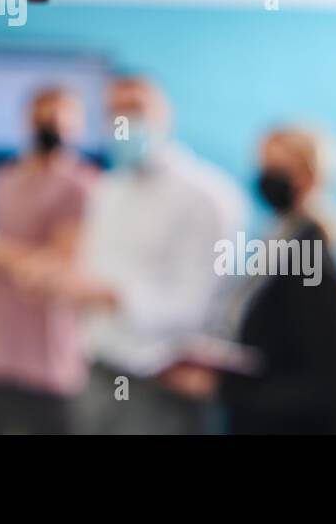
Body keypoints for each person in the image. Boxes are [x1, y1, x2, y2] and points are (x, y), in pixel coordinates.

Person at [17, 76, 247, 434]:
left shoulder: (207, 197)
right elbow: (91, 266)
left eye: (136, 109)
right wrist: (57, 279)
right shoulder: (108, 190)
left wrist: (110, 294)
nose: (124, 121)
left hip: (163, 382)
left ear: (164, 115)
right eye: (114, 111)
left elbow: (204, 302)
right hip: (97, 372)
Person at [162, 125, 336, 434]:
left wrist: (223, 389)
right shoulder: (277, 240)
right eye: (264, 165)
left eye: (280, 168)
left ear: (310, 177)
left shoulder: (310, 256)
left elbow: (324, 384)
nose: (267, 177)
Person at [0, 87, 97, 434]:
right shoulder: (2, 181)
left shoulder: (84, 186)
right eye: (44, 116)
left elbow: (56, 265)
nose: (52, 126)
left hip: (50, 361)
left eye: (62, 118)